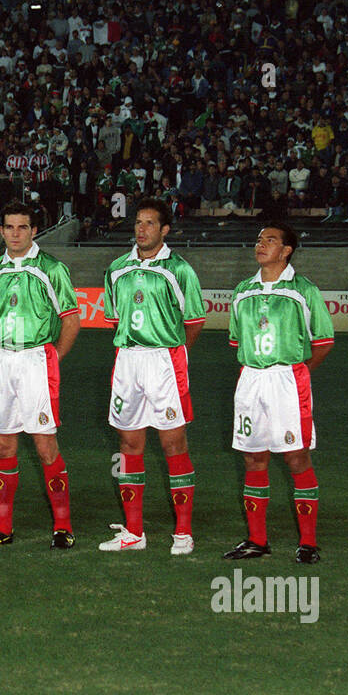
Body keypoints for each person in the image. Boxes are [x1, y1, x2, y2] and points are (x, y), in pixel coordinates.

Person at [0, 201, 80, 549]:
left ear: (33, 231)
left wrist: (54, 357)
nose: (15, 234)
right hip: (1, 361)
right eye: (9, 228)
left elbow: (71, 318)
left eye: (23, 227)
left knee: (45, 445)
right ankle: (3, 528)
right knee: (2, 446)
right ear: (1, 232)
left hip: (36, 360)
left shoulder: (52, 268)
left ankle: (63, 527)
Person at [99, 198, 206, 553]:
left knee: (173, 444)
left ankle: (183, 533)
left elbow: (193, 322)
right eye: (138, 223)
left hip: (165, 361)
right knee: (129, 445)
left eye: (149, 223)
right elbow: (115, 320)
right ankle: (133, 532)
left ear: (164, 230)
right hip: (128, 360)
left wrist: (173, 352)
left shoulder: (180, 269)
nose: (141, 229)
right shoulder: (116, 269)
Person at [223, 223, 335, 563]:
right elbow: (235, 341)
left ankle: (308, 543)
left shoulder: (304, 290)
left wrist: (295, 373)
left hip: (288, 380)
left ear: (286, 250)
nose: (261, 244)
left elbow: (324, 341)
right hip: (250, 380)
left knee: (296, 457)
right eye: (258, 239)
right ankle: (257, 539)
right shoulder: (243, 290)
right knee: (253, 457)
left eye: (270, 240)